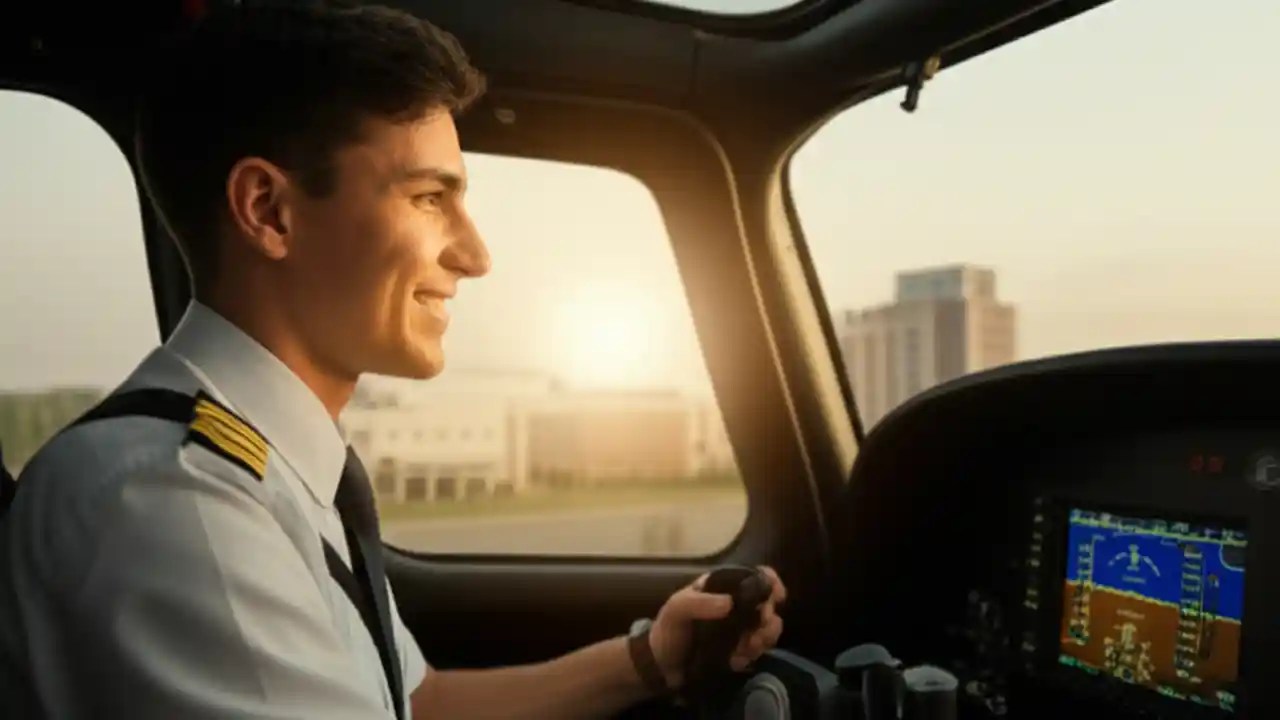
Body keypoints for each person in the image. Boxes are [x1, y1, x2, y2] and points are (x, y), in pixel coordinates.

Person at [0, 3, 786, 719]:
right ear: (269, 212)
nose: (475, 255)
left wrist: (649, 661)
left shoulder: (273, 470)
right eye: (429, 198)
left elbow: (418, 702)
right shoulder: (174, 502)